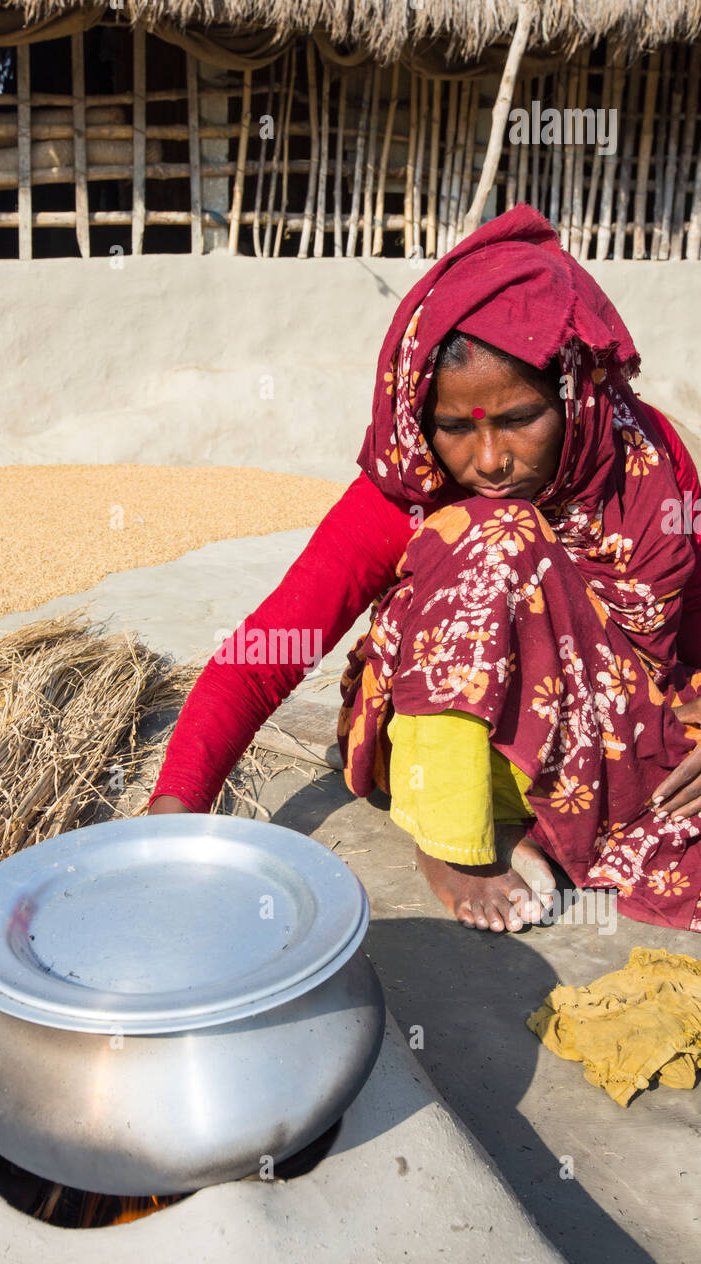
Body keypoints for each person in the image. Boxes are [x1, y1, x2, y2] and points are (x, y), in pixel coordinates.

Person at [149, 205, 701, 935]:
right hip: (436, 746)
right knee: (491, 531)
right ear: (421, 416)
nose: (490, 459)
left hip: (603, 749)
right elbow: (264, 654)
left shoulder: (650, 463)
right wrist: (171, 812)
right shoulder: (407, 491)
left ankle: (555, 834)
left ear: (574, 392)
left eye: (521, 418)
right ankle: (453, 845)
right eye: (454, 428)